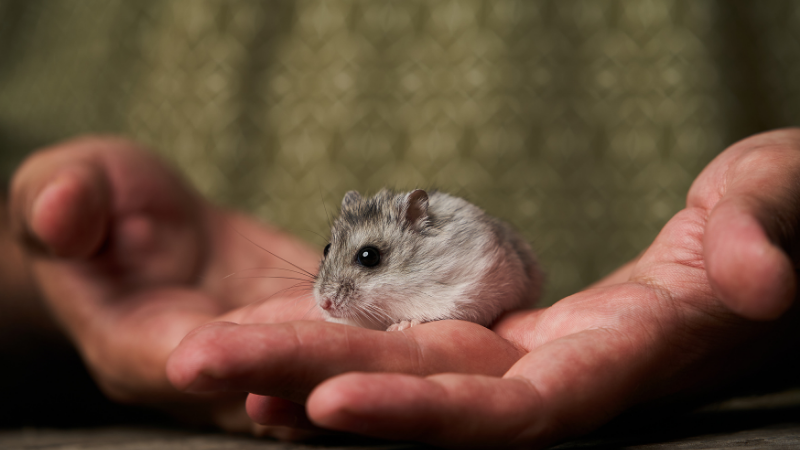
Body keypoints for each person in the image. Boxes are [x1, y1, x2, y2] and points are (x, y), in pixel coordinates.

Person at [5, 127, 800, 448]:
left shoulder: (454, 242)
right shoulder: (358, 259)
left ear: (418, 230)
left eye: (369, 263)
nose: (333, 286)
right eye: (333, 257)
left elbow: (487, 288)